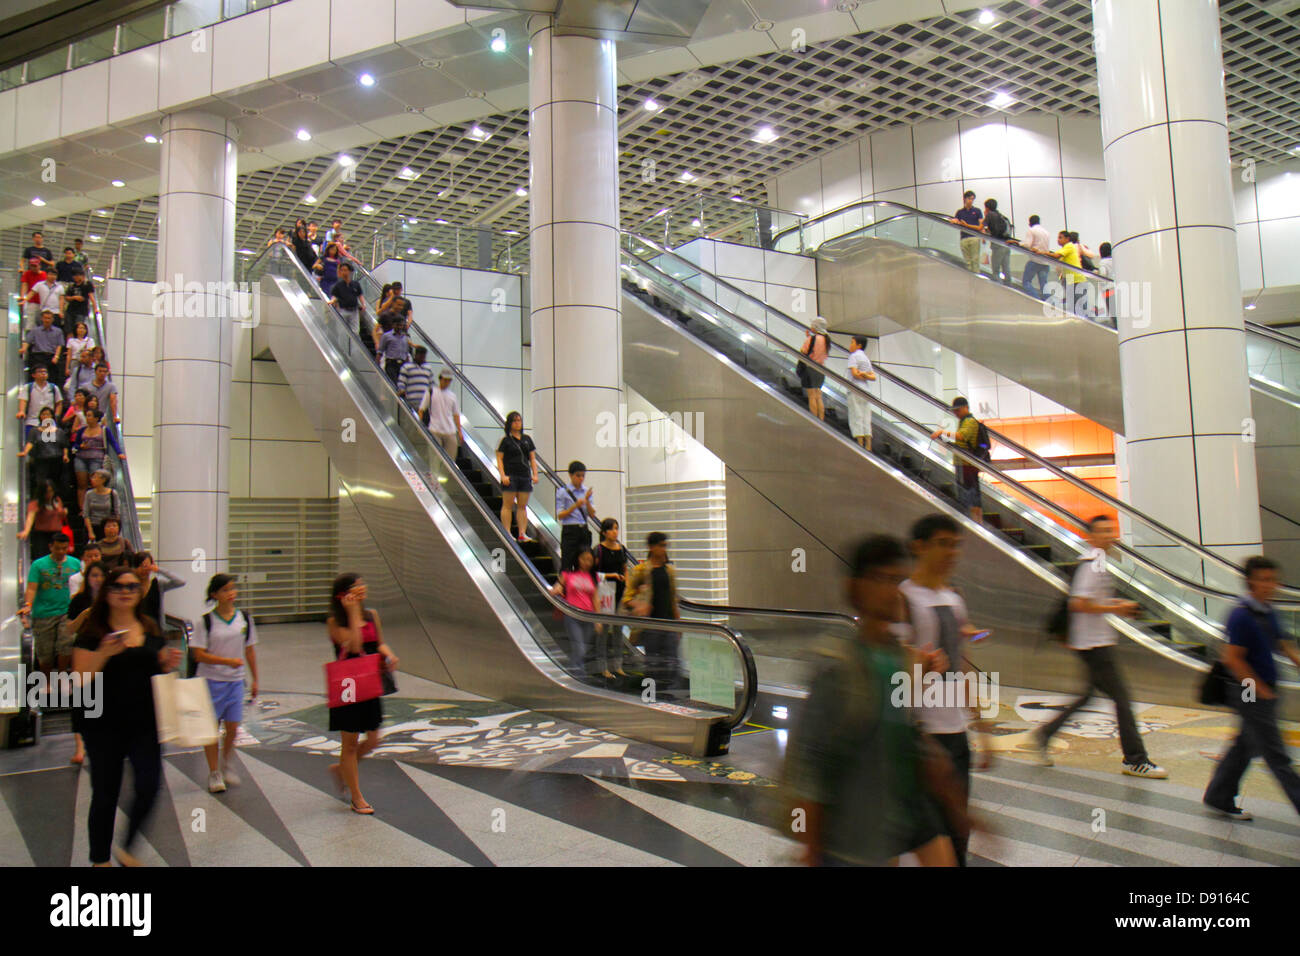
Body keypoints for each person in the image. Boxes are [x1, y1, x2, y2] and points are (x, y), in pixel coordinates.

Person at [783, 534, 963, 866]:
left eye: (897, 580)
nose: (892, 590)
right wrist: (810, 850)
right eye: (881, 579)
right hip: (847, 843)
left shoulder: (895, 657)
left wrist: (955, 803)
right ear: (855, 588)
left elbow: (903, 733)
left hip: (889, 823)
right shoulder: (835, 665)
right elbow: (811, 768)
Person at [1026, 515, 1168, 778]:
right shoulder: (1091, 564)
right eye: (1102, 531)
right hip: (1094, 645)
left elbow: (1092, 601)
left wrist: (1119, 608)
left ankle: (1044, 735)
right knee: (1122, 700)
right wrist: (1114, 607)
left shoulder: (1100, 563)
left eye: (1111, 530)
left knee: (1089, 696)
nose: (1109, 535)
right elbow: (1078, 603)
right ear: (1090, 537)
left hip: (1095, 641)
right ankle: (1135, 759)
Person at [71, 564, 181, 866]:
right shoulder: (93, 632)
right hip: (103, 725)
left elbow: (156, 670)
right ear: (106, 592)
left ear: (139, 592)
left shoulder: (149, 628)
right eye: (118, 586)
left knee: (149, 785)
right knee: (105, 793)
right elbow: (79, 679)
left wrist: (166, 662)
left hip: (145, 722)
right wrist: (104, 654)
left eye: (131, 586)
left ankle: (128, 849)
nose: (125, 591)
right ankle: (100, 860)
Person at [901, 514, 992, 867]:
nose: (951, 553)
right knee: (928, 835)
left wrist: (981, 728)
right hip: (921, 734)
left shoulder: (953, 600)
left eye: (956, 545)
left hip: (955, 734)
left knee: (957, 832)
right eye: (943, 543)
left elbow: (961, 664)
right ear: (918, 547)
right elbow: (893, 664)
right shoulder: (903, 597)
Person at [1202, 557, 1300, 820]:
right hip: (1247, 690)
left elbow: (1283, 644)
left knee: (1245, 745)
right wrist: (1258, 690)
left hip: (1263, 688)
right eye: (1264, 580)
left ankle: (1218, 796)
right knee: (1276, 755)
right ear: (1251, 581)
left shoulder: (1268, 611)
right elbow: (1232, 659)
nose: (1271, 585)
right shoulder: (1241, 615)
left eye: (1273, 579)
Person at [326, 573, 397, 815]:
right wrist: (353, 612)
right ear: (344, 594)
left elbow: (377, 642)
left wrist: (389, 654)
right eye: (357, 586)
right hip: (348, 686)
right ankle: (356, 797)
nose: (363, 588)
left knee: (374, 738)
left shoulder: (371, 615)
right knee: (350, 744)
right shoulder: (335, 622)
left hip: (369, 681)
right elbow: (354, 647)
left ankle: (341, 769)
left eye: (362, 584)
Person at [190, 574, 259, 794]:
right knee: (211, 728)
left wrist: (255, 677)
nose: (231, 593)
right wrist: (225, 661)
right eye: (225, 590)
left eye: (233, 588)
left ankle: (227, 760)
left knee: (233, 726)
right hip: (212, 680)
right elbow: (198, 655)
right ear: (215, 594)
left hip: (236, 681)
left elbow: (249, 649)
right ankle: (214, 771)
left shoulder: (244, 619)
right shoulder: (206, 621)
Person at [623, 532, 684, 697]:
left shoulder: (669, 571)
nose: (663, 549)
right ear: (652, 547)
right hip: (651, 626)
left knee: (672, 663)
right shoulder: (641, 570)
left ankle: (670, 697)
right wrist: (639, 604)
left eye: (665, 546)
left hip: (669, 623)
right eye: (661, 545)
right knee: (653, 664)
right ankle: (652, 697)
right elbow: (627, 598)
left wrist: (679, 624)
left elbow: (672, 599)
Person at [21, 533, 82, 680]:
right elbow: (31, 588)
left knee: (66, 645)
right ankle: (46, 680)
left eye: (64, 548)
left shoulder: (75, 563)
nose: (61, 551)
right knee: (45, 651)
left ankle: (62, 678)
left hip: (67, 612)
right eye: (57, 548)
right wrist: (28, 605)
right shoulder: (38, 565)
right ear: (50, 547)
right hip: (43, 613)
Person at [64, 560, 107, 767]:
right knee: (82, 699)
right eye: (94, 575)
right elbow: (69, 629)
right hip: (84, 650)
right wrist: (84, 615)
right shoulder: (79, 600)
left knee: (105, 698)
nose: (97, 580)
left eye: (101, 575)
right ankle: (80, 747)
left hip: (106, 651)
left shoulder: (112, 599)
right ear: (87, 578)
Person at [930, 397, 985, 523]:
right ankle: (975, 521)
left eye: (958, 410)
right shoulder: (964, 421)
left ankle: (972, 522)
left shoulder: (970, 421)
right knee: (971, 493)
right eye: (954, 411)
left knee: (968, 494)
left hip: (966, 464)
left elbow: (962, 436)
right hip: (965, 464)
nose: (956, 413)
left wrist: (942, 432)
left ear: (966, 407)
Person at [550, 546, 598, 675]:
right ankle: (578, 675)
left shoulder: (593, 577)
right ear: (578, 559)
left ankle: (575, 673)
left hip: (589, 617)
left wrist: (598, 620)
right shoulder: (567, 575)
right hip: (573, 616)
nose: (587, 562)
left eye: (590, 560)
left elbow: (595, 599)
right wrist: (556, 589)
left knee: (583, 650)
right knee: (580, 649)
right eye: (584, 559)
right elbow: (555, 588)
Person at [593, 518, 629, 680]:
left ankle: (618, 665)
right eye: (612, 529)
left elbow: (625, 568)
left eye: (617, 528)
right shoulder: (598, 550)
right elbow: (592, 574)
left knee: (618, 631)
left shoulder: (621, 549)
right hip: (605, 593)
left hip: (620, 593)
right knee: (604, 632)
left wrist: (627, 584)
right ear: (604, 532)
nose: (615, 532)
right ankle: (603, 666)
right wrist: (611, 575)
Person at [496, 411, 537, 542]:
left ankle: (522, 533)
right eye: (514, 421)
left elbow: (532, 458)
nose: (517, 423)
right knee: (507, 505)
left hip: (525, 475)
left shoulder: (527, 439)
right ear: (509, 423)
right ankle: (507, 532)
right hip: (510, 475)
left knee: (522, 506)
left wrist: (535, 474)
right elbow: (499, 458)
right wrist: (502, 475)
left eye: (519, 420)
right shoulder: (505, 440)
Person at [72, 407, 125, 507]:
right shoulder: (82, 430)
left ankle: (93, 505)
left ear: (96, 418)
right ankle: (82, 509)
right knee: (81, 485)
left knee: (95, 483)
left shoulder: (104, 430)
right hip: (81, 457)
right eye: (86, 416)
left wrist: (119, 453)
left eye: (89, 416)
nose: (87, 418)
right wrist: (80, 446)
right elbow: (75, 445)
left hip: (96, 458)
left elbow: (113, 442)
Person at [17, 406, 70, 497]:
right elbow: (30, 442)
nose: (46, 416)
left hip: (56, 460)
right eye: (43, 414)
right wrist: (25, 452)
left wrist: (65, 456)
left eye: (48, 414)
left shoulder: (59, 431)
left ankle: (55, 501)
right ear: (40, 416)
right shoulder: (35, 431)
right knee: (40, 482)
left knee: (55, 482)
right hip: (41, 460)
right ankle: (40, 502)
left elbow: (64, 445)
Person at [556, 460, 598, 572]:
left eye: (583, 476)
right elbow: (560, 515)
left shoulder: (586, 491)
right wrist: (575, 506)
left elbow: (592, 514)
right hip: (570, 530)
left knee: (585, 563)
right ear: (570, 475)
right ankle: (565, 587)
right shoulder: (563, 492)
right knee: (567, 562)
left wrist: (587, 501)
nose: (581, 478)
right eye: (578, 475)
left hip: (583, 529)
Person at [129, 551, 187, 626]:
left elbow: (181, 581)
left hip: (156, 630)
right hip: (136, 628)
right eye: (140, 565)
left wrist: (159, 570)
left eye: (146, 565)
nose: (143, 569)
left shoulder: (158, 584)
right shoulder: (131, 585)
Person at [18, 478, 69, 562]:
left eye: (51, 491)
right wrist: (26, 531)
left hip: (56, 533)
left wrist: (64, 512)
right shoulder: (36, 503)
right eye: (47, 492)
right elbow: (30, 517)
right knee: (42, 557)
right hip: (42, 535)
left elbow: (61, 517)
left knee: (58, 556)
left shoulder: (57, 500)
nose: (49, 494)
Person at [418, 366, 461, 457]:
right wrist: (420, 425)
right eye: (445, 380)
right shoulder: (431, 392)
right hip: (435, 430)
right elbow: (421, 410)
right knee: (435, 459)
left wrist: (459, 432)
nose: (446, 382)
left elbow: (456, 414)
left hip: (450, 431)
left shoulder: (452, 396)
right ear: (440, 378)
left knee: (451, 461)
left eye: (449, 380)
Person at [846, 334, 877, 450]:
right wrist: (865, 375)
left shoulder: (853, 356)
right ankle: (868, 445)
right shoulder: (865, 358)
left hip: (854, 389)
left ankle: (860, 445)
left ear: (859, 345)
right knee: (866, 417)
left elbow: (854, 373)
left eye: (852, 342)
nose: (850, 345)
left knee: (856, 416)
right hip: (866, 390)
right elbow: (873, 377)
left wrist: (861, 374)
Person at [799, 316, 831, 421]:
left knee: (811, 395)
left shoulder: (812, 339)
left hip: (810, 368)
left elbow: (803, 351)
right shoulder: (826, 340)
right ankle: (821, 419)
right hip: (821, 370)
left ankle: (814, 419)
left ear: (816, 327)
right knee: (818, 395)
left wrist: (808, 338)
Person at [328, 261, 368, 342]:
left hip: (354, 310)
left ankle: (355, 350)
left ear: (350, 271)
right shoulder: (338, 285)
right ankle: (342, 349)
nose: (344, 272)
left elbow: (360, 295)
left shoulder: (355, 284)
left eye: (346, 270)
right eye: (342, 270)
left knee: (355, 332)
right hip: (343, 310)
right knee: (342, 331)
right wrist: (332, 301)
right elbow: (335, 296)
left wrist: (363, 304)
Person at [16, 364, 63, 432]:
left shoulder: (54, 388)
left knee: (48, 441)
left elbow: (59, 403)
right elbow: (23, 400)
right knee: (31, 441)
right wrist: (21, 411)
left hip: (49, 422)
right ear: (33, 375)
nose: (43, 373)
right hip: (32, 422)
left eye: (45, 372)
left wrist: (56, 415)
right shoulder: (28, 387)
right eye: (40, 372)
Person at [81, 468, 122, 541]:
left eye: (95, 477)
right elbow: (86, 514)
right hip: (93, 526)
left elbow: (117, 512)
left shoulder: (112, 494)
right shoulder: (89, 494)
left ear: (103, 480)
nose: (92, 479)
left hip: (107, 527)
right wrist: (90, 532)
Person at [23, 310, 64, 378]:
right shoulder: (35, 330)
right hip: (38, 357)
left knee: (52, 377)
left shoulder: (58, 331)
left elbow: (59, 345)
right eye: (45, 318)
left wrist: (56, 357)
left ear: (52, 319)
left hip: (51, 357)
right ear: (42, 318)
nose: (47, 320)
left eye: (49, 318)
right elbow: (28, 341)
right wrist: (24, 349)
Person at [950, 190, 984, 273]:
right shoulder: (960, 212)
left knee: (975, 260)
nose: (971, 201)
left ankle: (977, 281)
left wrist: (983, 236)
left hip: (974, 237)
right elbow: (954, 221)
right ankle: (970, 281)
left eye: (972, 199)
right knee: (967, 262)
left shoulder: (977, 211)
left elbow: (981, 225)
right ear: (965, 199)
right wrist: (955, 222)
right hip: (964, 238)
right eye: (969, 199)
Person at [1020, 214, 1053, 298]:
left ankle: (1036, 300)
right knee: (1044, 285)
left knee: (1026, 282)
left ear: (1030, 222)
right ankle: (1048, 303)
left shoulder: (1032, 230)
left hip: (1034, 261)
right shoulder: (1046, 232)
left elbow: (1027, 244)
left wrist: (1019, 243)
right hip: (1045, 262)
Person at [397, 345, 434, 416]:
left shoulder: (428, 368)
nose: (422, 358)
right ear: (415, 355)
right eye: (421, 356)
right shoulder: (407, 367)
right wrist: (401, 390)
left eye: (423, 356)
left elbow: (431, 385)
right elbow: (401, 382)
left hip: (424, 403)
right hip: (411, 402)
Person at [982, 198, 1012, 284]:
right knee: (1006, 268)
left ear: (987, 207)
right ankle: (1009, 287)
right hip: (1006, 245)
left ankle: (1000, 288)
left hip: (997, 246)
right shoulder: (1001, 215)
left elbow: (981, 227)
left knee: (995, 270)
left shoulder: (989, 215)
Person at [377, 314, 410, 384]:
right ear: (393, 324)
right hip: (391, 364)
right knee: (393, 383)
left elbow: (406, 353)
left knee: (402, 384)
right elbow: (380, 351)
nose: (399, 327)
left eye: (401, 325)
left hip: (402, 364)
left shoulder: (405, 337)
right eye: (397, 325)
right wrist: (377, 364)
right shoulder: (386, 336)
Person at [20, 257, 47, 330]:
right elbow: (24, 285)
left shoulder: (44, 275)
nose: (33, 268)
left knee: (42, 322)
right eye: (32, 266)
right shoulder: (27, 274)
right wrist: (23, 296)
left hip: (43, 302)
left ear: (39, 266)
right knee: (31, 322)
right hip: (32, 301)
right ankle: (29, 339)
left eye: (35, 266)